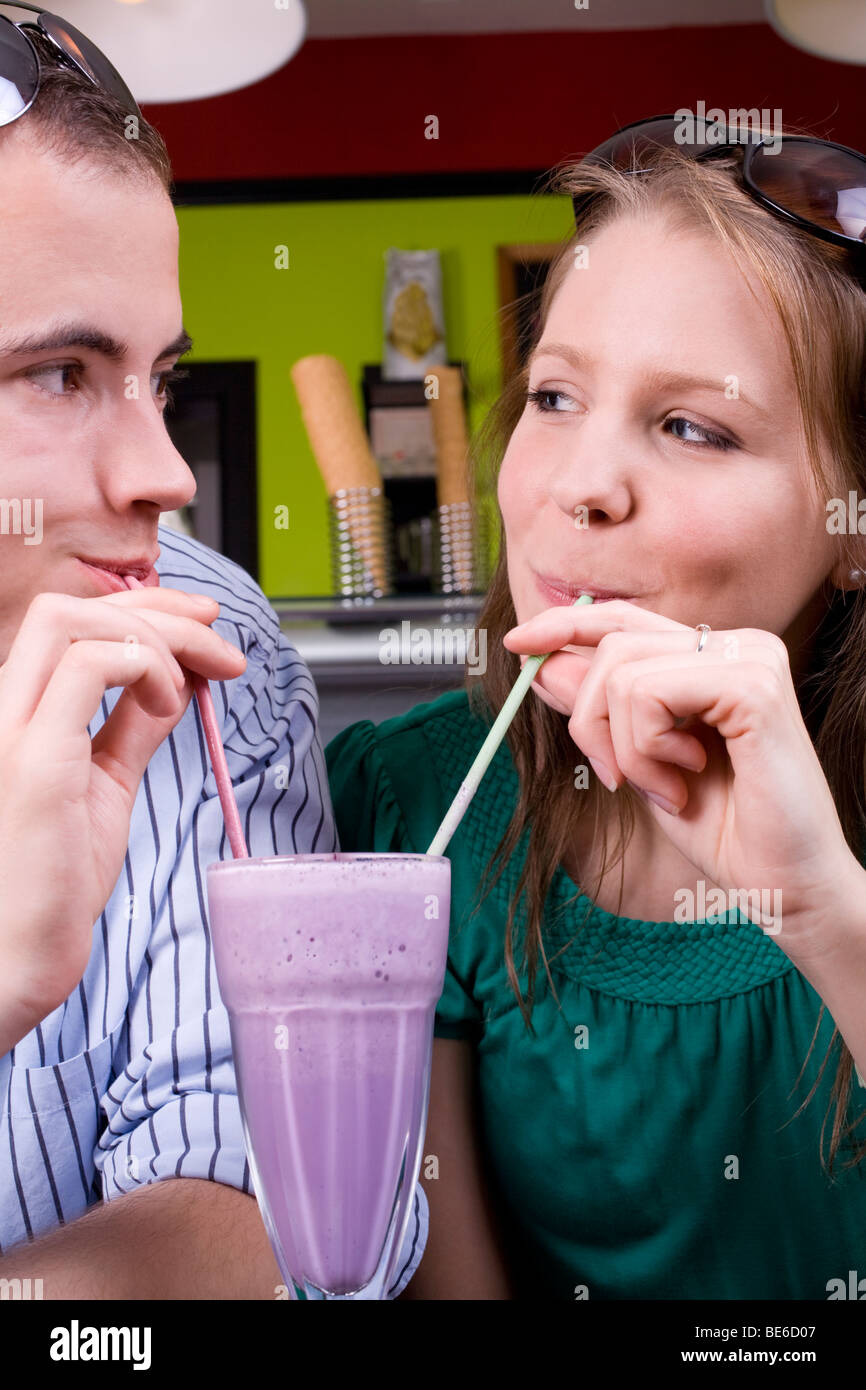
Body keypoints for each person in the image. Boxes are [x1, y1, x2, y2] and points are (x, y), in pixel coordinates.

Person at [326, 115, 866, 1300]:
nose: (577, 487)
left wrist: (827, 910)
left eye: (691, 426)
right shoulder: (412, 805)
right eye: (556, 396)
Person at [0, 12, 427, 1298]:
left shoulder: (194, 633)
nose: (165, 473)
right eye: (60, 373)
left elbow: (249, 1206)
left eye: (158, 377)